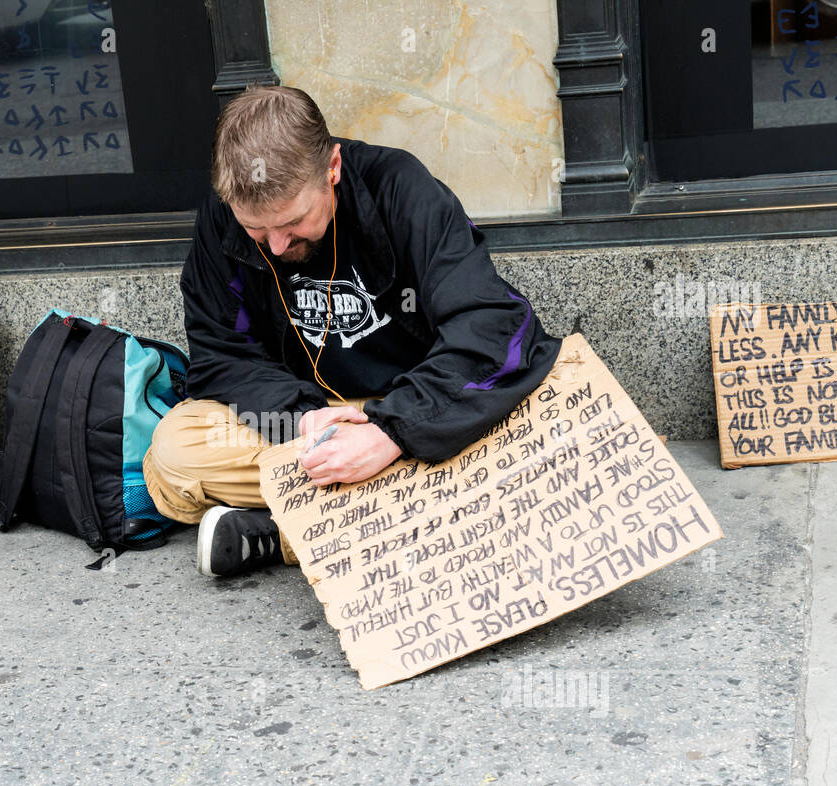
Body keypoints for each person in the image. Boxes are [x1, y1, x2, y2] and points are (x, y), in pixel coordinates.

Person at [143, 85, 561, 577]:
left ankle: (283, 536)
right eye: (258, 230)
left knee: (524, 428)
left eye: (294, 222)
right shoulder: (224, 215)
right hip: (307, 424)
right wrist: (302, 418)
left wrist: (392, 432)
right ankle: (391, 511)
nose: (276, 246)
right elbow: (221, 355)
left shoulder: (401, 189)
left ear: (332, 169)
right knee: (174, 457)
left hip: (413, 404)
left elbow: (492, 326)